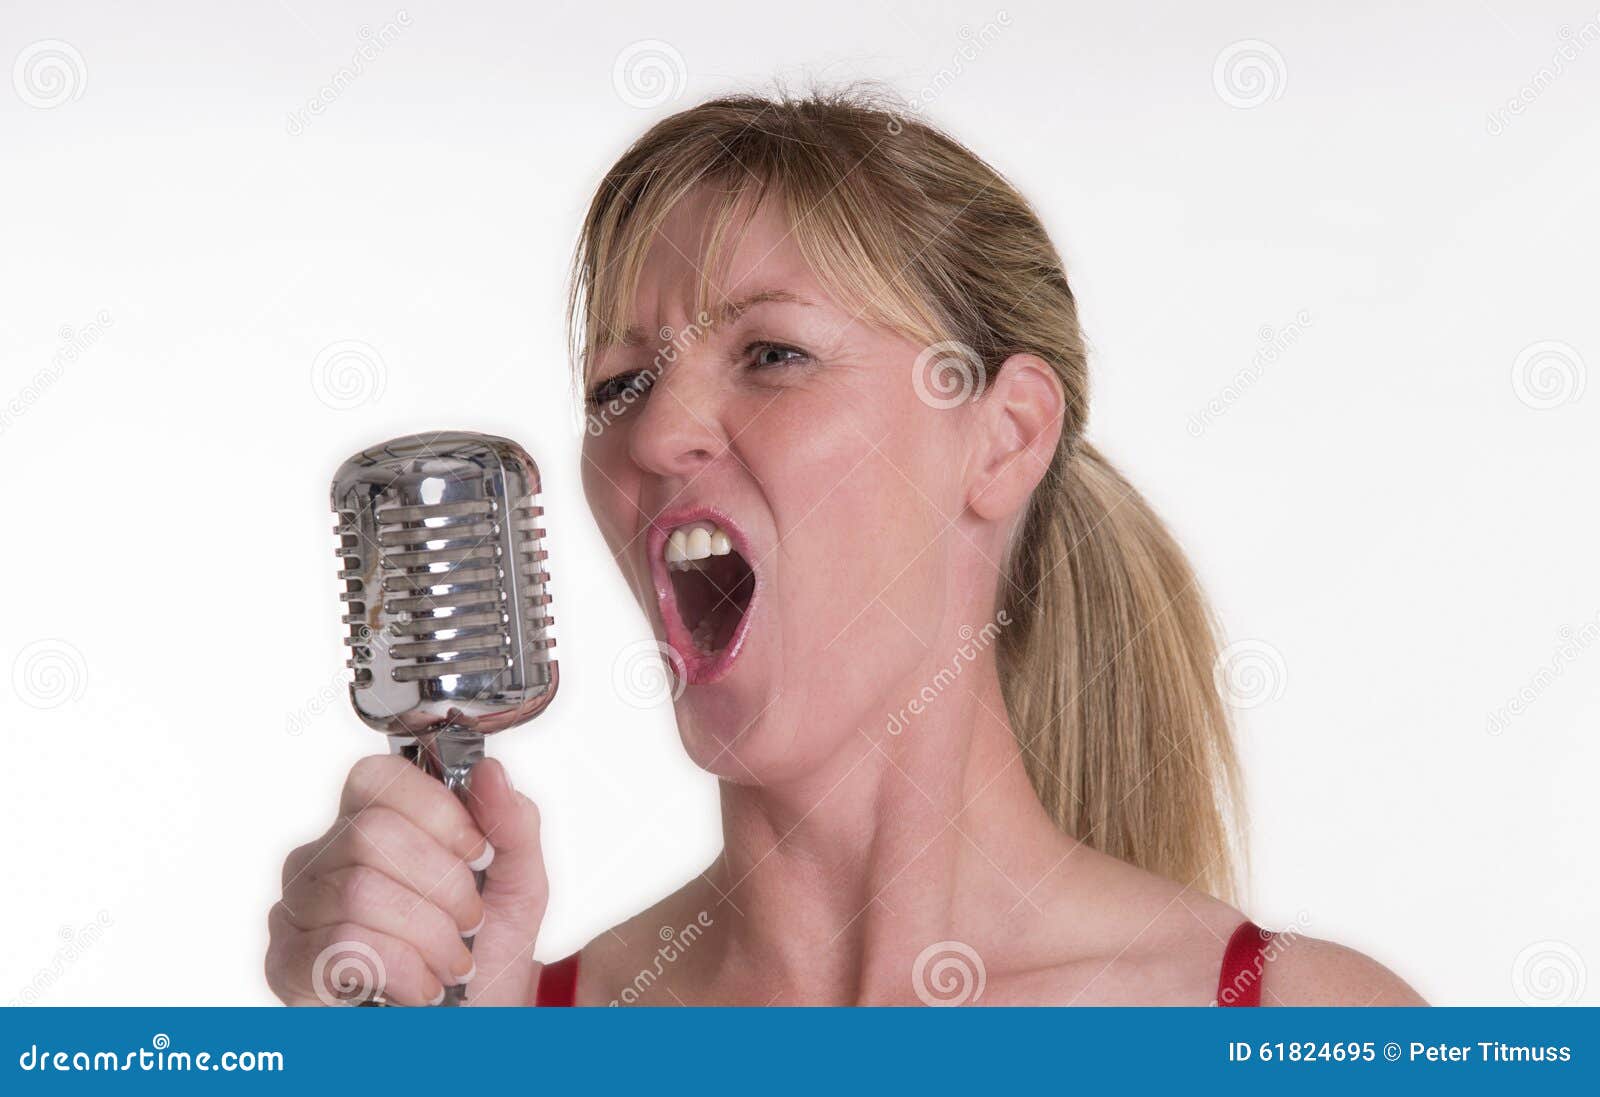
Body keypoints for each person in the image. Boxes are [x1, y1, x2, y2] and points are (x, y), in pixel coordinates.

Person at [267, 89, 1423, 1007]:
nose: (656, 434)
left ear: (1003, 437)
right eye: (619, 383)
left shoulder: (1293, 1028)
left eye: (773, 353)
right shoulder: (520, 1018)